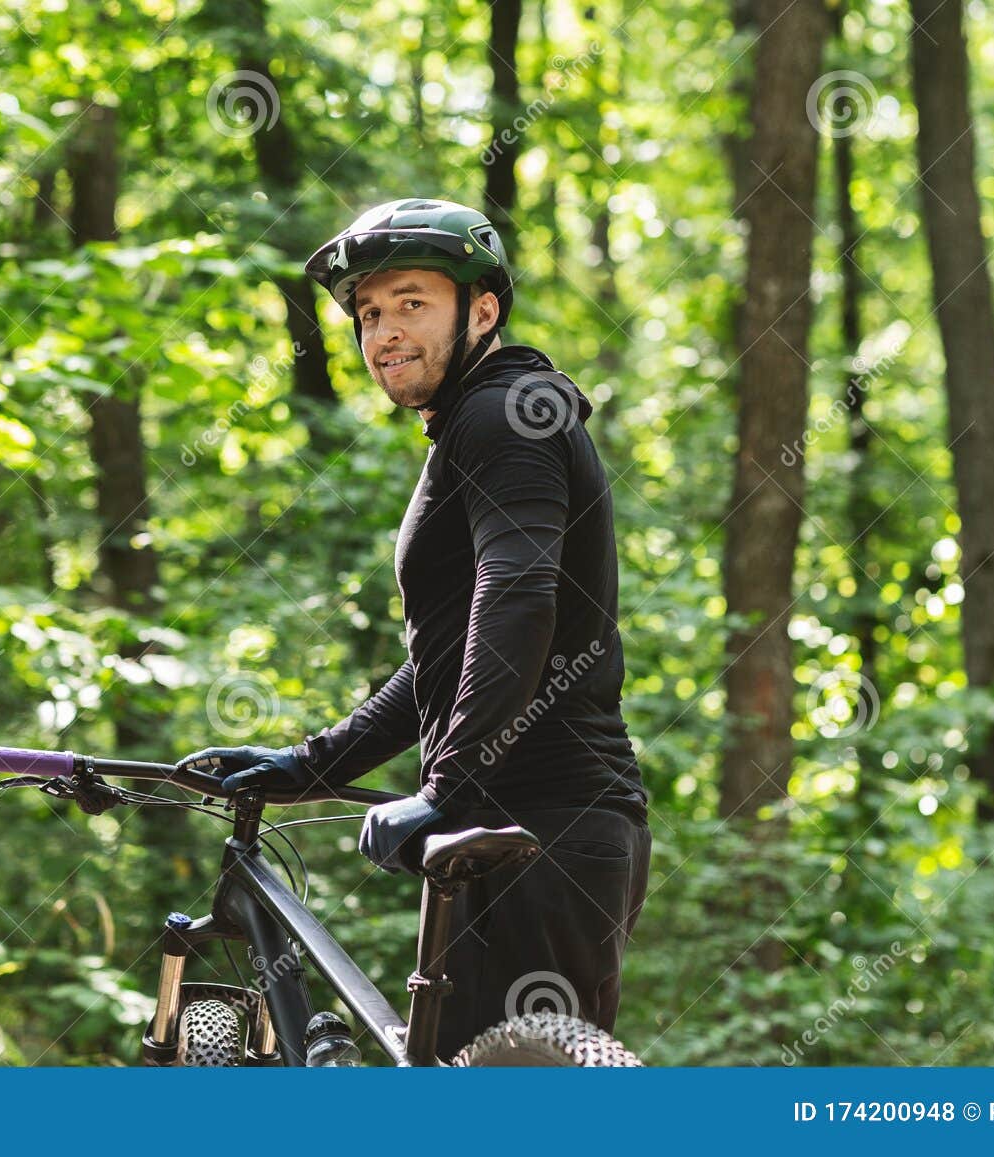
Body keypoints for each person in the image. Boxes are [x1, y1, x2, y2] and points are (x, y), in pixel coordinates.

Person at [176, 198, 651, 1060]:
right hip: (515, 826)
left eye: (409, 302)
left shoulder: (505, 412)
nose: (383, 331)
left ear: (482, 309)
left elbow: (519, 596)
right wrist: (315, 763)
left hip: (538, 821)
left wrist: (448, 786)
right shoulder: (485, 421)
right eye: (367, 313)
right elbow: (449, 651)